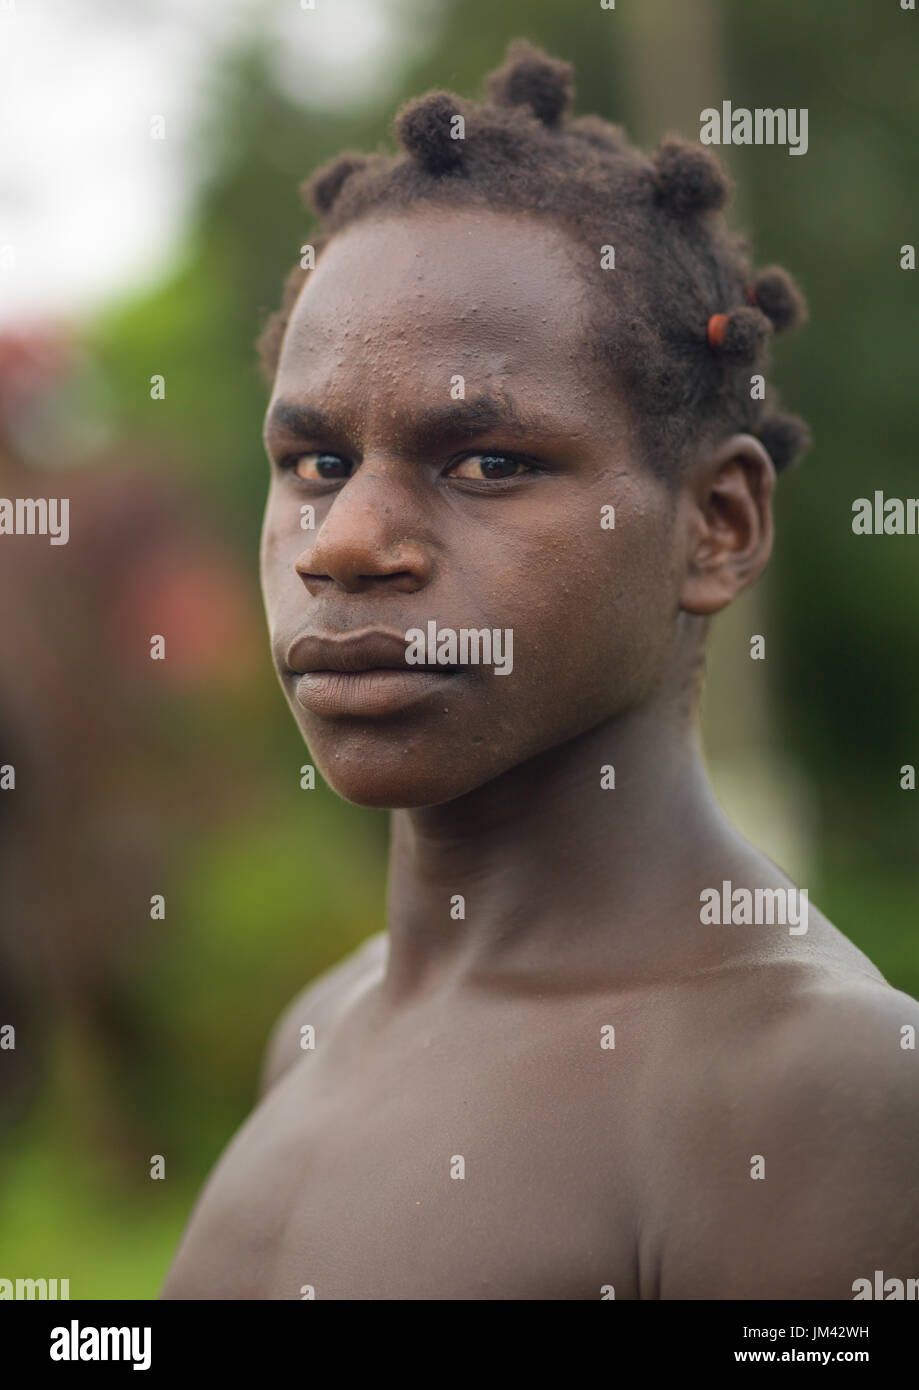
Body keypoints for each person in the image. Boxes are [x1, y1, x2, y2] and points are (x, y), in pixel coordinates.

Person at [162, 39, 919, 1300]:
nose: (345, 542)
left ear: (716, 525)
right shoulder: (318, 1028)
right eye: (315, 463)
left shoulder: (816, 1093)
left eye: (489, 462)